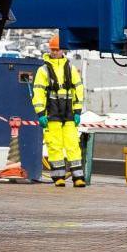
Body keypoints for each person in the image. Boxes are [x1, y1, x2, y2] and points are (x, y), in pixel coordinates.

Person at [32, 40, 86, 188]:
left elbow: (78, 90)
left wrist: (77, 111)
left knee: (73, 145)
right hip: (51, 113)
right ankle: (58, 177)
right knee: (54, 145)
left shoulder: (70, 68)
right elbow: (38, 92)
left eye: (57, 49)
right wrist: (41, 113)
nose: (54, 52)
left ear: (63, 50)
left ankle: (78, 177)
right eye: (52, 49)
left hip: (69, 113)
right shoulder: (43, 70)